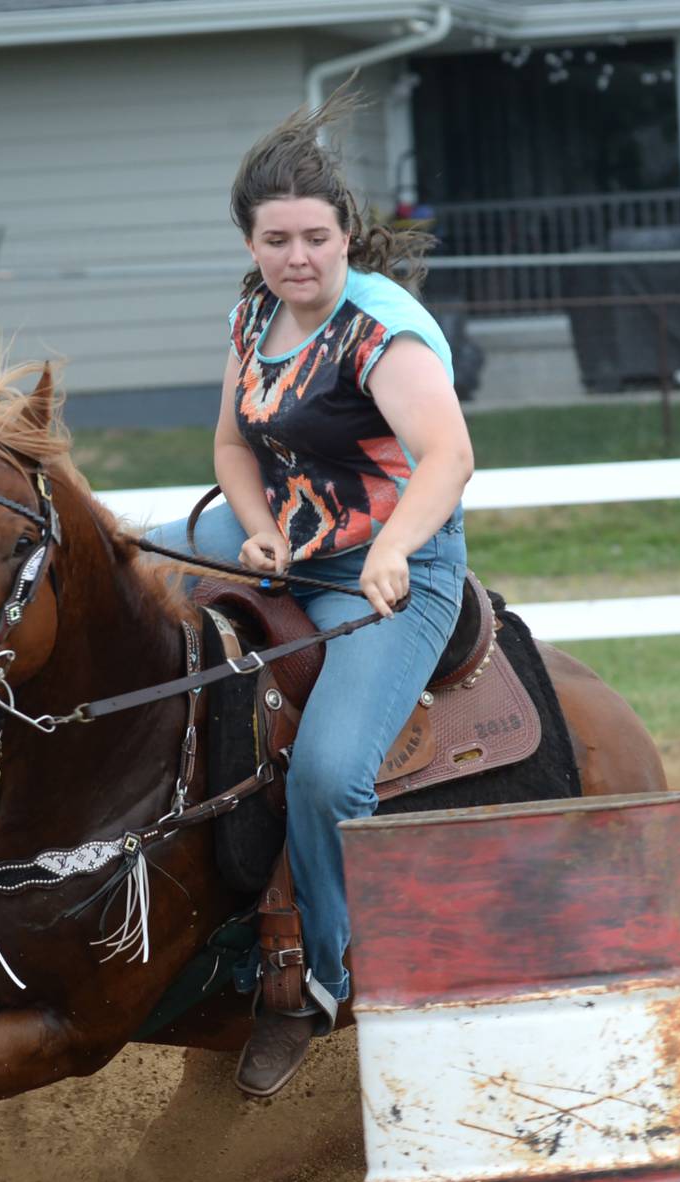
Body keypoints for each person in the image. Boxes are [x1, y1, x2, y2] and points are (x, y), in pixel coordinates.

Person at [144, 88, 474, 1098]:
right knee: (112, 578)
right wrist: (248, 526)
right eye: (276, 239)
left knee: (331, 773)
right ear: (251, 243)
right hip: (283, 538)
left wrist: (394, 551)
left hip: (389, 568)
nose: (297, 257)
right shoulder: (252, 312)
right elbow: (231, 442)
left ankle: (324, 981)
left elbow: (449, 455)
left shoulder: (382, 332)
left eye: (315, 238)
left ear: (343, 236)